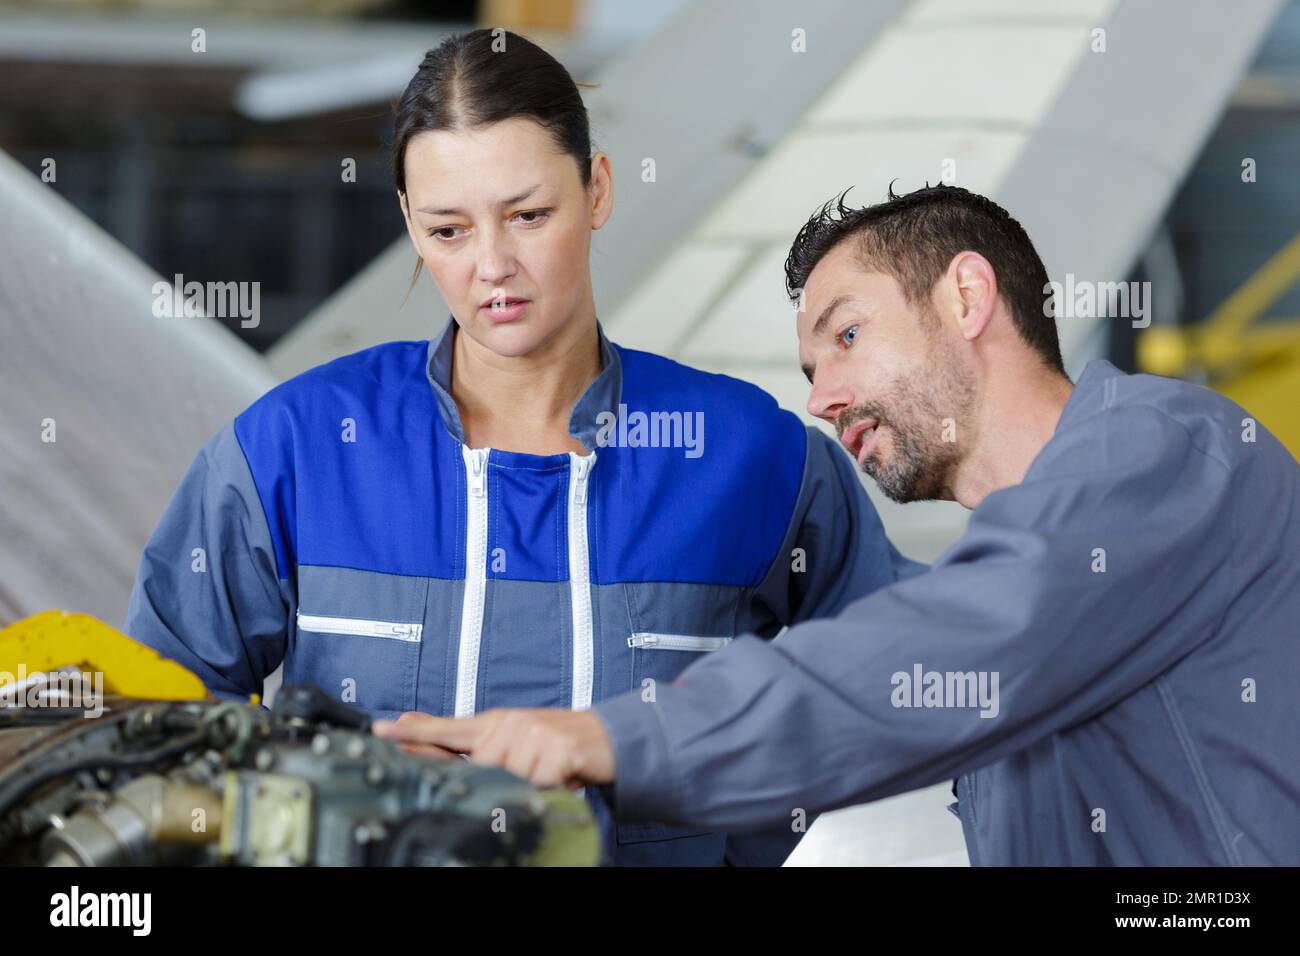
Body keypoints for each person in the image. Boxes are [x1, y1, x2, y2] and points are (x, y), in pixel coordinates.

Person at [123, 30, 919, 867]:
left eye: (529, 215)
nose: (493, 266)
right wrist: (331, 777)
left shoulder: (750, 457)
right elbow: (149, 733)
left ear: (598, 187)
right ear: (408, 223)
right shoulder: (293, 449)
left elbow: (907, 685)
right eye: (448, 229)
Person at [375, 184, 1300, 865]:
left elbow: (942, 653)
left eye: (846, 336)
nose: (822, 398)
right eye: (812, 367)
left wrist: (611, 738)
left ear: (967, 298)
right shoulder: (1015, 567)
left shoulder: (1169, 452)